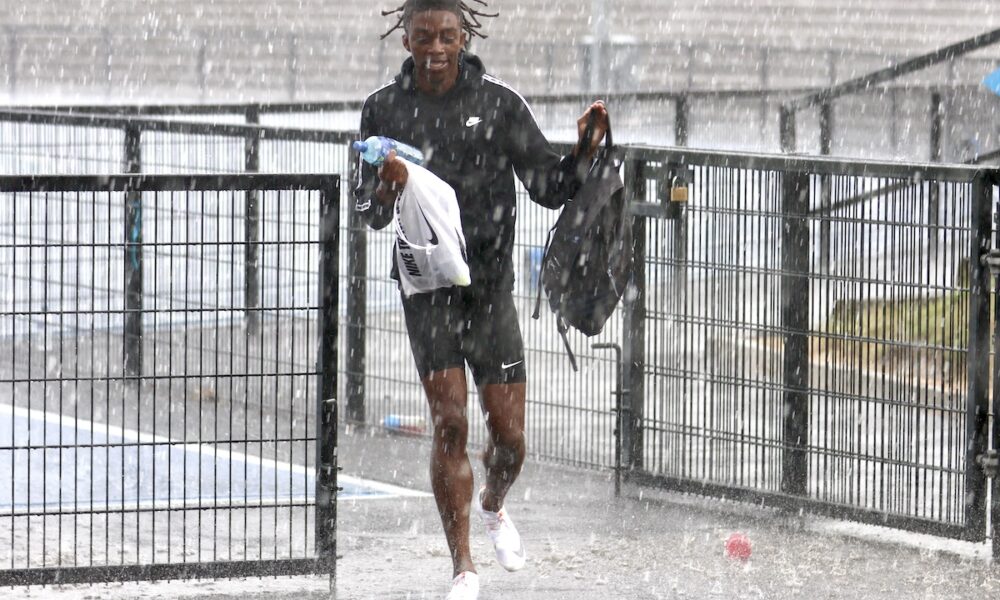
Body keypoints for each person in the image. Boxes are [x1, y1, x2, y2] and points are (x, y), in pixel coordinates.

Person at [353, 1, 608, 598]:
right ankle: (463, 565)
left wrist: (583, 151)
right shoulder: (383, 109)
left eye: (447, 36)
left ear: (464, 36)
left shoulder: (498, 103)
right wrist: (386, 188)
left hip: (490, 293)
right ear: (406, 38)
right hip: (427, 292)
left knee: (510, 438)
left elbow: (549, 186)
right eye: (424, 37)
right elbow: (368, 212)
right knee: (450, 426)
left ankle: (494, 501)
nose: (436, 48)